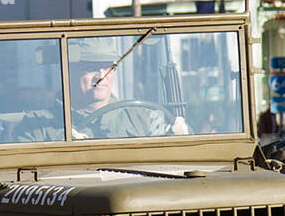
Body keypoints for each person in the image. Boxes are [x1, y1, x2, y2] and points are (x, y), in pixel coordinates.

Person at [14, 39, 181, 142]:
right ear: (69, 72)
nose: (101, 75)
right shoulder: (36, 127)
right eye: (90, 68)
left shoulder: (142, 119)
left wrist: (180, 139)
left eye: (108, 67)